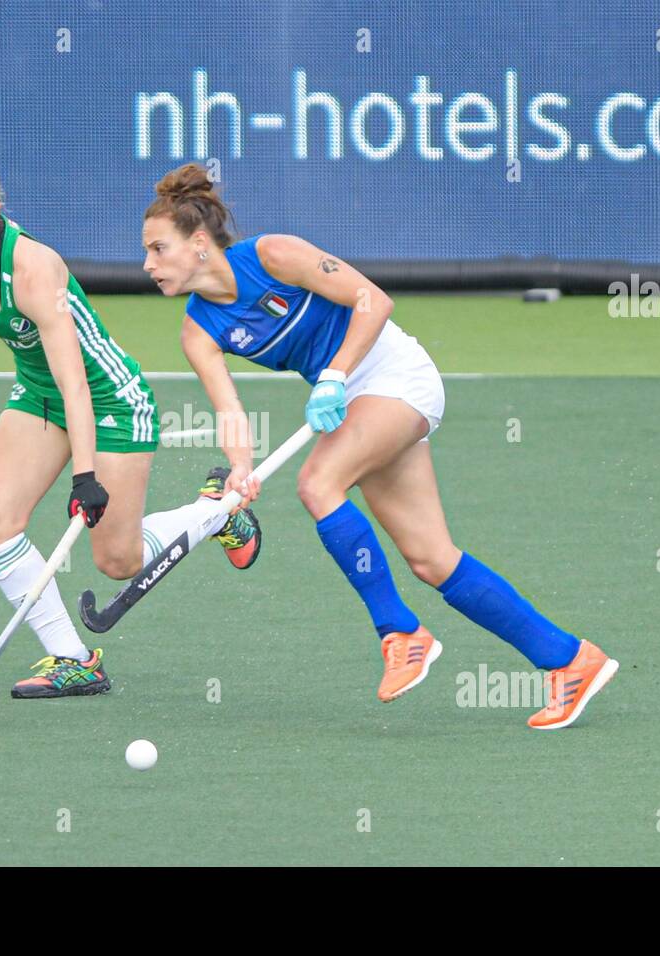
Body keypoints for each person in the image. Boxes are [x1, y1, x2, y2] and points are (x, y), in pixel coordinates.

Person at [140, 163, 618, 728]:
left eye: (157, 249)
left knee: (318, 484)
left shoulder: (273, 255)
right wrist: (241, 469)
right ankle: (569, 661)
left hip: (393, 374)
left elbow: (373, 300)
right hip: (352, 398)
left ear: (198, 245)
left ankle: (400, 633)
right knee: (432, 559)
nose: (147, 265)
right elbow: (229, 411)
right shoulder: (198, 329)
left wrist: (336, 375)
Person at [0, 140, 261, 699]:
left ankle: (217, 510)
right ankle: (73, 659)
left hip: (111, 400)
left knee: (118, 561)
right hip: (40, 396)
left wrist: (84, 477)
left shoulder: (33, 268)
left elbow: (78, 381)